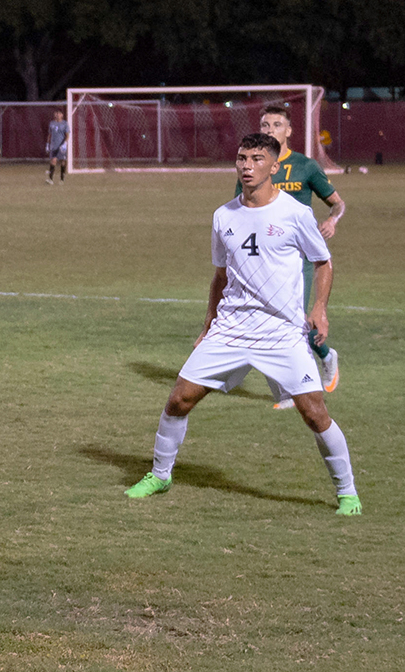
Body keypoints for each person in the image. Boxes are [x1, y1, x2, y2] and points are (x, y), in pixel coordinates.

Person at [125, 132, 361, 516]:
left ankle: (347, 492)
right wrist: (207, 323)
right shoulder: (223, 215)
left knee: (314, 412)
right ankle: (160, 474)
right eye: (241, 158)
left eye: (255, 159)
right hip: (231, 328)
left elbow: (323, 263)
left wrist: (320, 307)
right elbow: (220, 276)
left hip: (281, 332)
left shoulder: (296, 214)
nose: (247, 166)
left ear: (274, 166)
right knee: (179, 399)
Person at [235, 103, 346, 408]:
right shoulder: (252, 165)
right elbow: (240, 209)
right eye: (265, 125)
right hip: (264, 259)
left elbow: (338, 203)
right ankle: (287, 390)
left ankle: (317, 363)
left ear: (289, 130)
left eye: (275, 125)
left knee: (292, 322)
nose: (269, 130)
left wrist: (332, 220)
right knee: (268, 319)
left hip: (298, 258)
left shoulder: (305, 166)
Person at [45, 108, 68, 184]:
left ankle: (62, 178)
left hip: (61, 146)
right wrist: (48, 144)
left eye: (59, 113)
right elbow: (50, 134)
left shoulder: (65, 124)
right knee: (53, 161)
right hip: (53, 146)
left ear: (62, 115)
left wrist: (65, 144)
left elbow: (67, 135)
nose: (57, 114)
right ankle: (50, 179)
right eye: (56, 113)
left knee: (63, 162)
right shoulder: (51, 123)